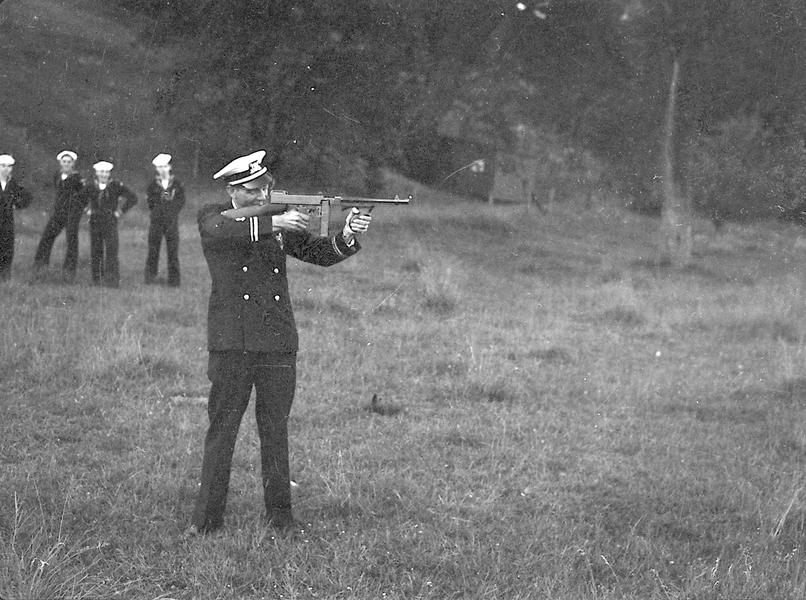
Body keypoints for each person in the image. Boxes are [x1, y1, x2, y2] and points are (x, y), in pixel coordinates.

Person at [187, 150, 372, 535]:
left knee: (275, 430)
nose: (262, 195)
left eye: (266, 188)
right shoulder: (213, 215)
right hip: (232, 342)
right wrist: (273, 221)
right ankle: (206, 522)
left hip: (276, 340)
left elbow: (318, 253)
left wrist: (349, 233)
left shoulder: (275, 221)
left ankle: (281, 519)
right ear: (234, 190)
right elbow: (220, 231)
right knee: (223, 430)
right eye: (254, 191)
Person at [33, 151, 87, 281]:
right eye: (64, 162)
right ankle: (40, 266)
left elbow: (84, 196)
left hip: (72, 214)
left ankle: (69, 271)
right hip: (58, 212)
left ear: (73, 164)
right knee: (47, 237)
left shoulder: (78, 178)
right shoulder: (57, 175)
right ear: (60, 163)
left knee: (71, 241)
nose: (66, 164)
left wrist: (77, 209)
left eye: (69, 162)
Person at [85, 160, 137, 287]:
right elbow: (78, 199)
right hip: (95, 221)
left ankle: (112, 280)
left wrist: (120, 212)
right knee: (96, 251)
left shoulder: (115, 185)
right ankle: (97, 280)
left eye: (106, 172)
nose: (104, 174)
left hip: (110, 222)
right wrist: (87, 210)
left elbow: (133, 198)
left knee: (112, 251)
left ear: (109, 174)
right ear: (96, 173)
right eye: (101, 172)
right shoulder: (91, 186)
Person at [0, 154, 32, 281]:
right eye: (3, 166)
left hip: (7, 220)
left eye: (9, 166)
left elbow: (27, 197)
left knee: (7, 247)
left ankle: (5, 276)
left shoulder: (12, 184)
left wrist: (16, 204)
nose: (6, 169)